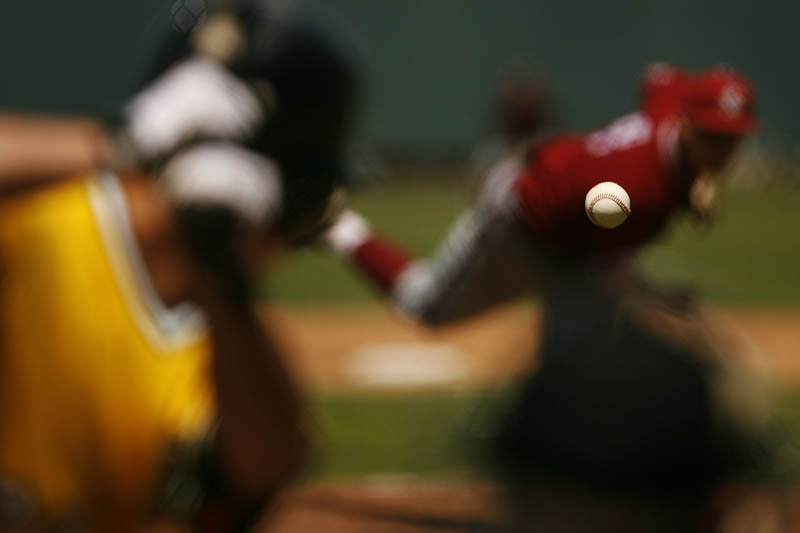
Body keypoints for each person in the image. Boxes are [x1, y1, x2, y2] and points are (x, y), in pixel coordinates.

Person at [0, 6, 359, 531]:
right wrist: (120, 141)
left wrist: (223, 274)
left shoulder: (217, 334)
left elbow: (269, 462)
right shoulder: (40, 221)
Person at [323, 64, 756, 326]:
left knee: (591, 333)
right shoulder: (638, 194)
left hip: (548, 194)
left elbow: (660, 76)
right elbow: (604, 268)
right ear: (686, 125)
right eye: (713, 138)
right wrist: (657, 296)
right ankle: (334, 224)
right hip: (522, 227)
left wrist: (696, 180)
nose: (723, 151)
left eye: (731, 141)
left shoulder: (670, 105)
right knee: (427, 308)